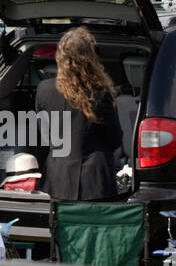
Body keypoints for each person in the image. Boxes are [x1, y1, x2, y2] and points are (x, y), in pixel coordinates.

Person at [34, 26, 122, 201]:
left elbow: (45, 136)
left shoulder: (44, 89)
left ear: (60, 57)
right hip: (95, 181)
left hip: (58, 178)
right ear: (91, 58)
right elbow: (115, 139)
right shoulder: (101, 93)